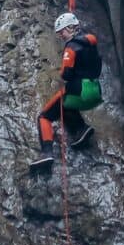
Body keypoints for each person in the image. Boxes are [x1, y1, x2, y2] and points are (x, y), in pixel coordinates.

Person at [31, 11, 103, 169]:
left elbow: (66, 74)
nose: (61, 35)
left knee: (44, 116)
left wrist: (64, 71)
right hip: (95, 91)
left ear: (70, 28)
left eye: (62, 31)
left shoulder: (71, 48)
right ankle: (81, 129)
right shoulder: (91, 42)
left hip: (79, 90)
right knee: (66, 106)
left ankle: (47, 153)